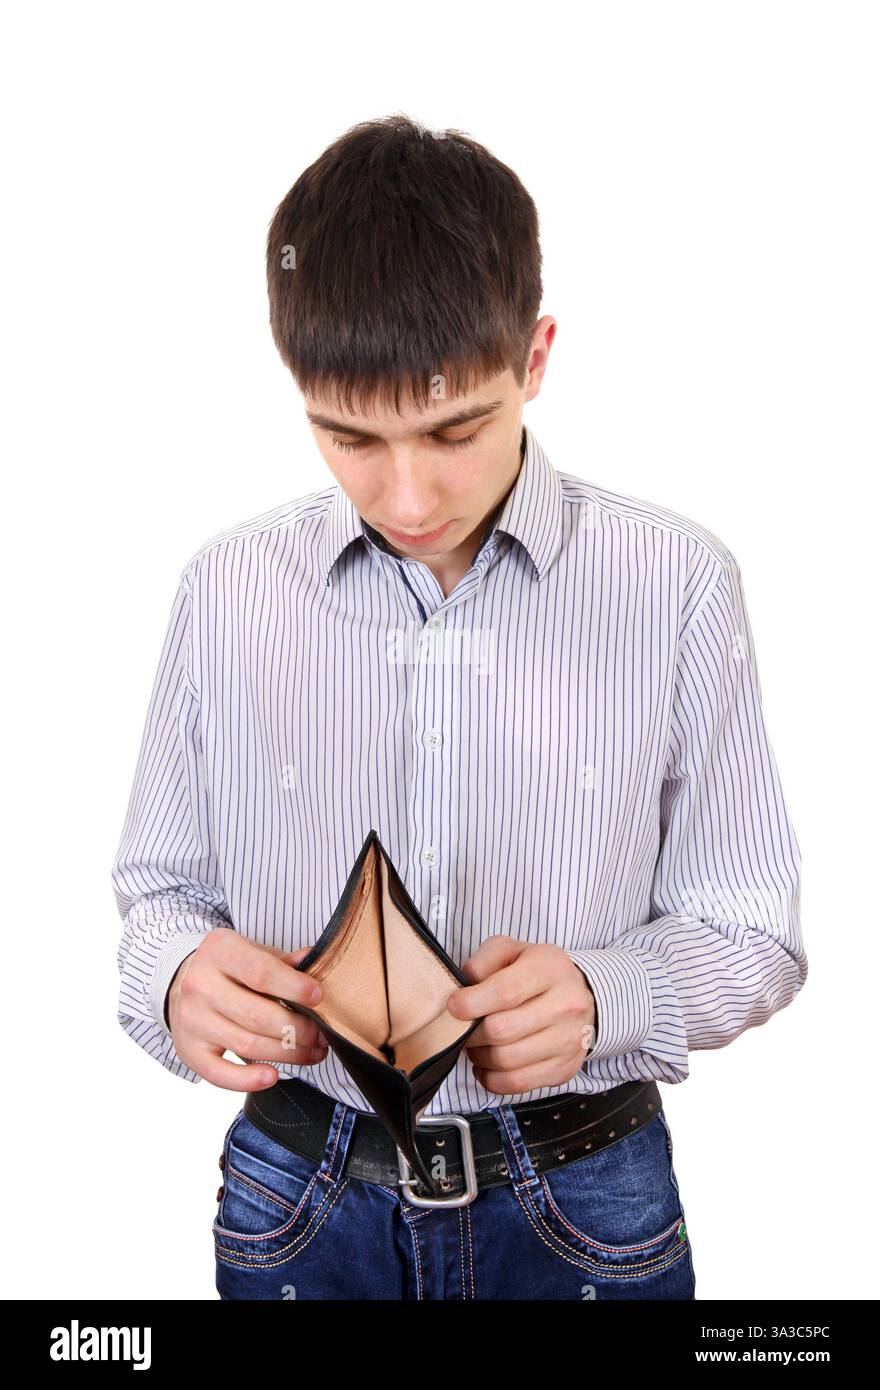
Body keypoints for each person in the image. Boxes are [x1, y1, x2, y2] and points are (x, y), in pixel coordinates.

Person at [110, 114, 807, 1301]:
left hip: (585, 1195)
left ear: (533, 358)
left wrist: (607, 994)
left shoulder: (676, 581)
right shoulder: (225, 589)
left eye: (455, 427)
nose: (407, 492)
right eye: (348, 436)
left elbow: (759, 935)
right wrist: (173, 973)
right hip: (298, 1197)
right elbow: (157, 896)